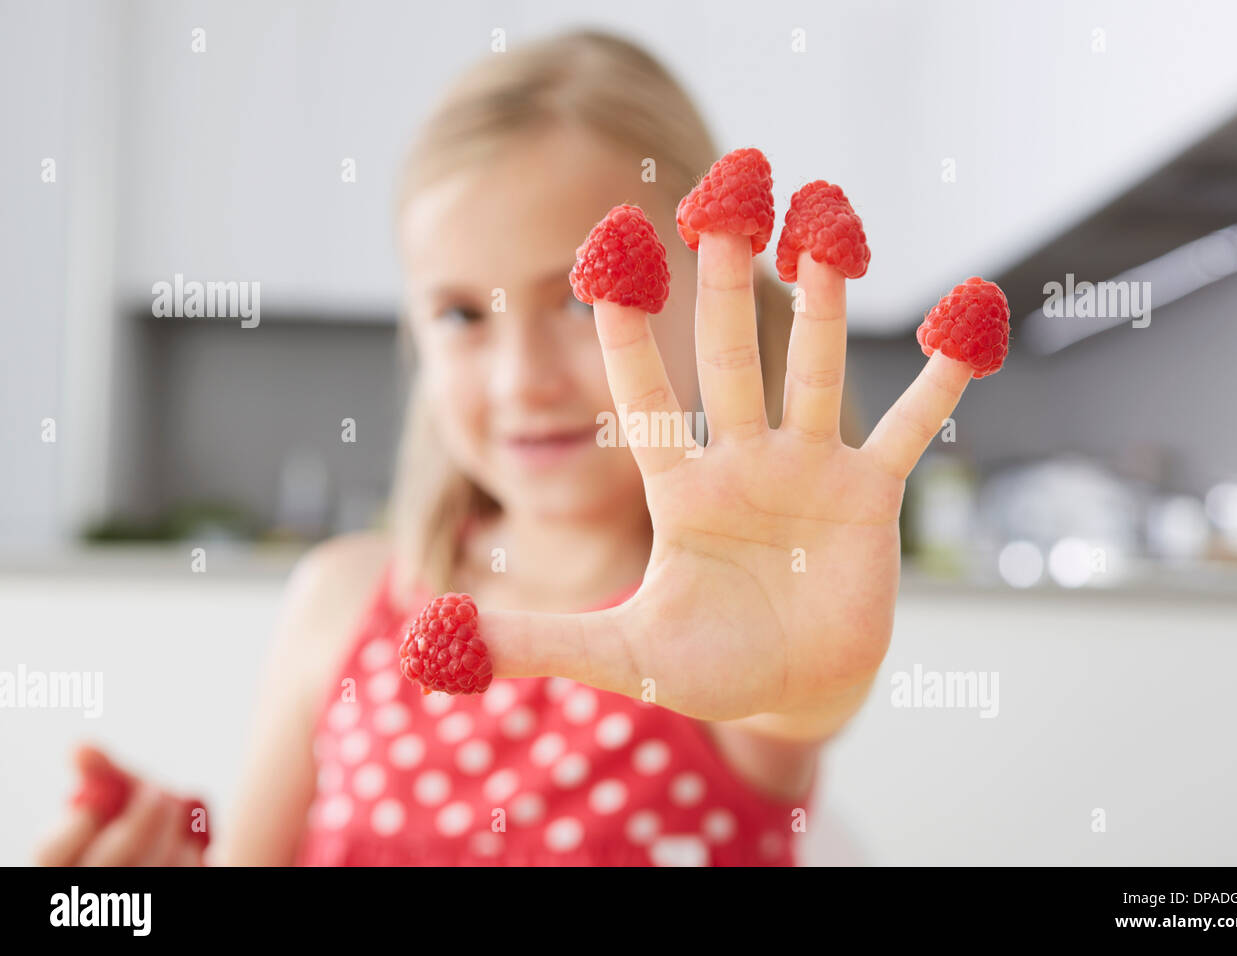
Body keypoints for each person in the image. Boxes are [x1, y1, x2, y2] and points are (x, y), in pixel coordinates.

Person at [36, 30, 974, 867]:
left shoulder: (726, 617)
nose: (522, 377)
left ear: (718, 295)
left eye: (578, 301)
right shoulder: (340, 602)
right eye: (458, 313)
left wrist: (808, 670)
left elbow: (787, 690)